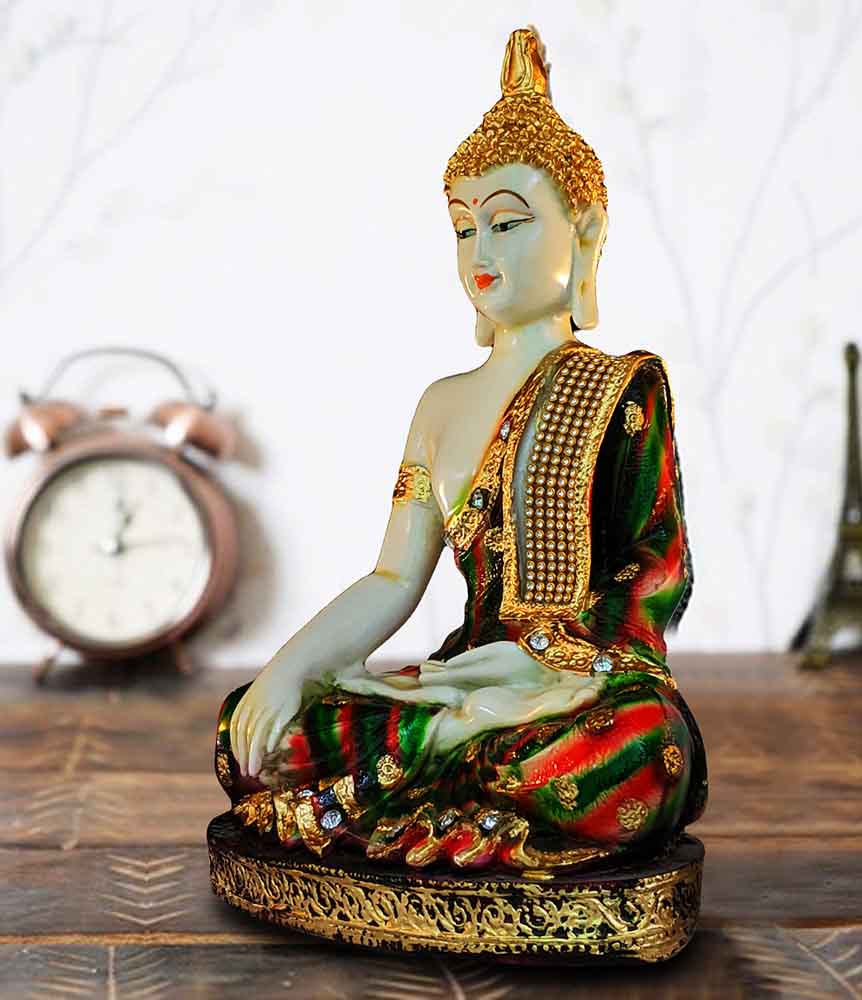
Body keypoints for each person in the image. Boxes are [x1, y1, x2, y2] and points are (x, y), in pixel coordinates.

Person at [214, 26, 707, 871]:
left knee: (638, 752)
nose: (482, 252)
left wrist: (544, 670)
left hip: (574, 691)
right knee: (249, 733)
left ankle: (436, 765)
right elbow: (393, 578)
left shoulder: (620, 389)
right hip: (464, 681)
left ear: (586, 234)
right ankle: (451, 748)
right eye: (463, 228)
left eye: (509, 224)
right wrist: (290, 670)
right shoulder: (440, 406)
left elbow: (655, 567)